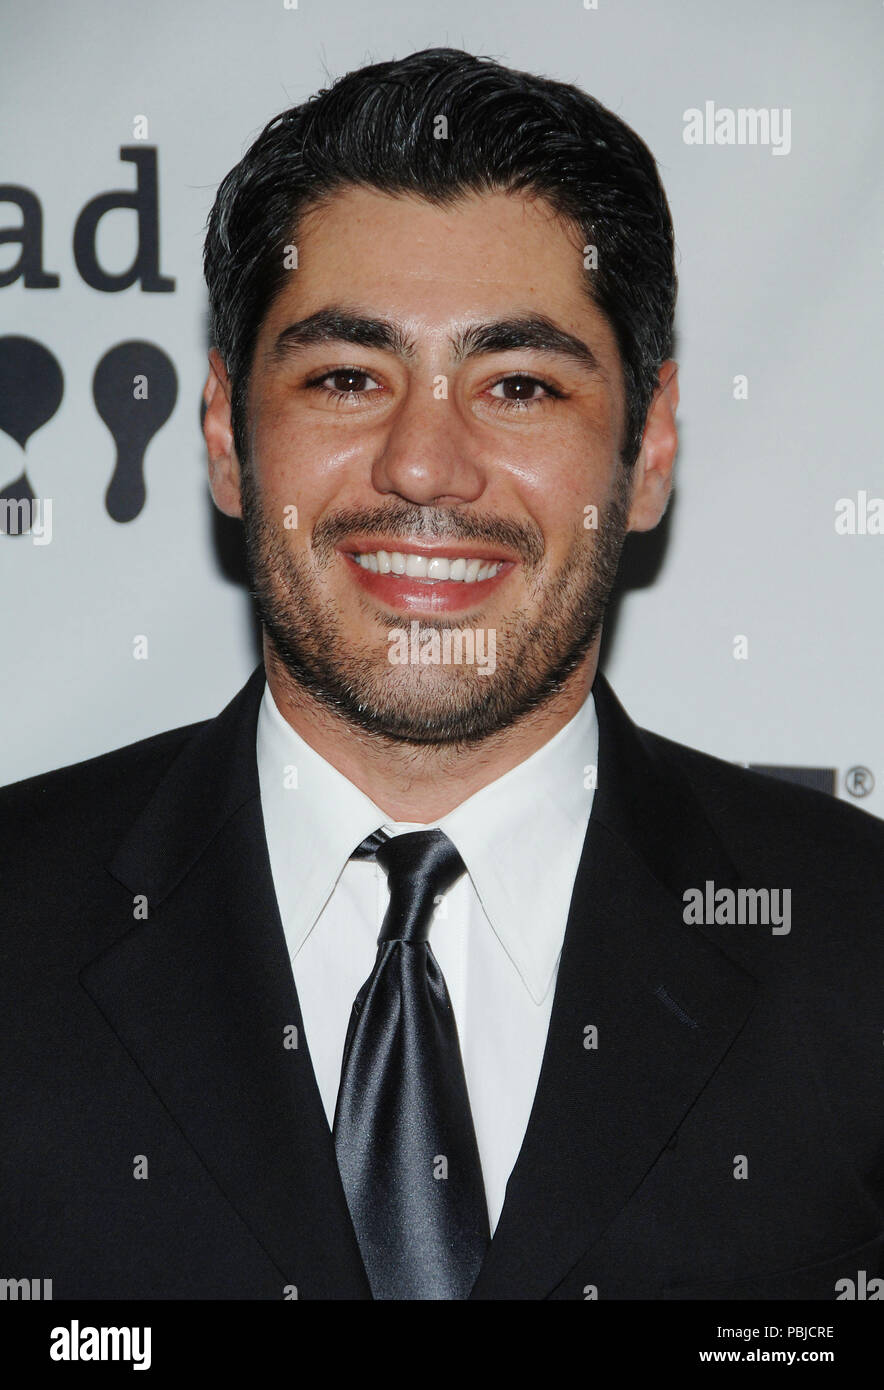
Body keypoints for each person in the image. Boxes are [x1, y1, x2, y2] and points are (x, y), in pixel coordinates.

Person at [2, 48, 882, 1301]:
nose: (423, 465)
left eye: (517, 384)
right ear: (223, 436)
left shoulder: (855, 948)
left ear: (648, 451)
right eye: (346, 378)